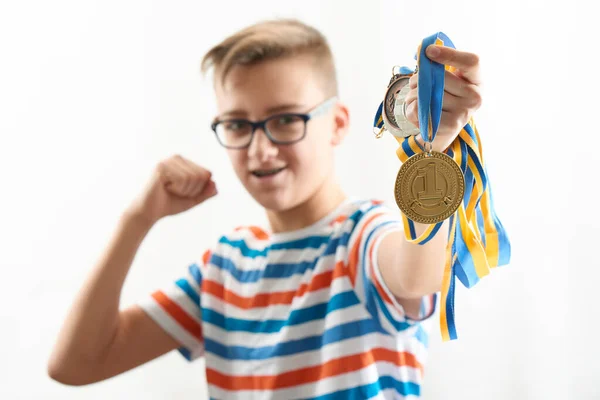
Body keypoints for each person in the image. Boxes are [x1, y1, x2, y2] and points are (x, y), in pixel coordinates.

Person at [48, 18, 483, 399]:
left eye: (285, 119)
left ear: (337, 124)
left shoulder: (363, 236)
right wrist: (136, 220)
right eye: (237, 124)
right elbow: (76, 364)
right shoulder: (224, 269)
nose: (260, 149)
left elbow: (418, 276)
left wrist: (434, 151)